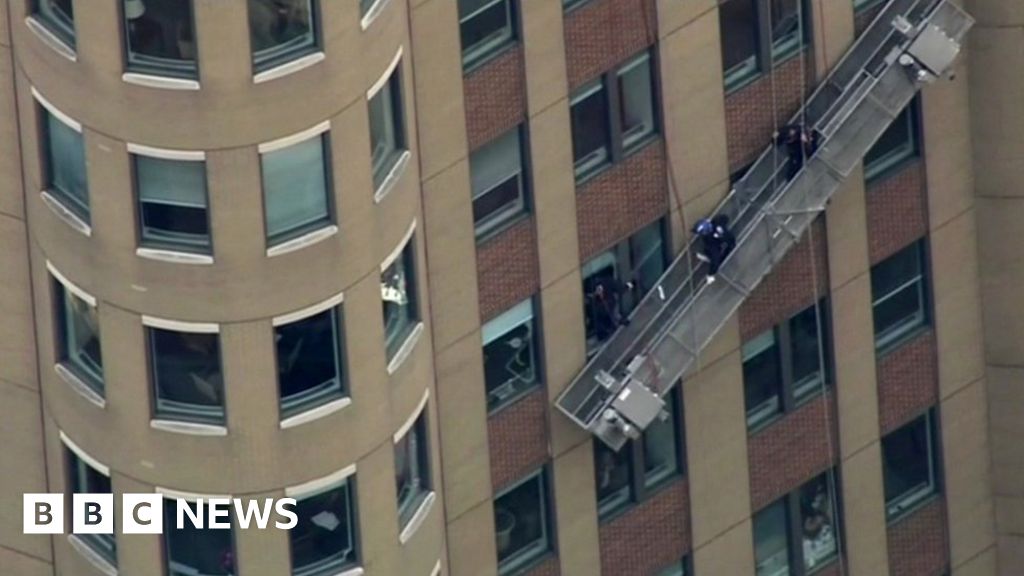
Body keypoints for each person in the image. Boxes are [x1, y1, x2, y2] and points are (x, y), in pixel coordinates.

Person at [586, 276, 635, 341]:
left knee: (614, 314)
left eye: (599, 291)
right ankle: (605, 332)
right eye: (597, 292)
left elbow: (620, 289)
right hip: (602, 310)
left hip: (610, 305)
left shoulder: (607, 283)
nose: (599, 293)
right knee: (605, 318)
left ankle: (620, 321)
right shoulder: (593, 296)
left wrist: (630, 285)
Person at [694, 216, 735, 284]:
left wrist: (710, 274)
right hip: (723, 241)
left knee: (719, 256)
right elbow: (725, 218)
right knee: (715, 255)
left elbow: (725, 218)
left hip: (727, 241)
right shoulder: (716, 223)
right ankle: (711, 259)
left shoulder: (714, 229)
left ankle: (716, 263)